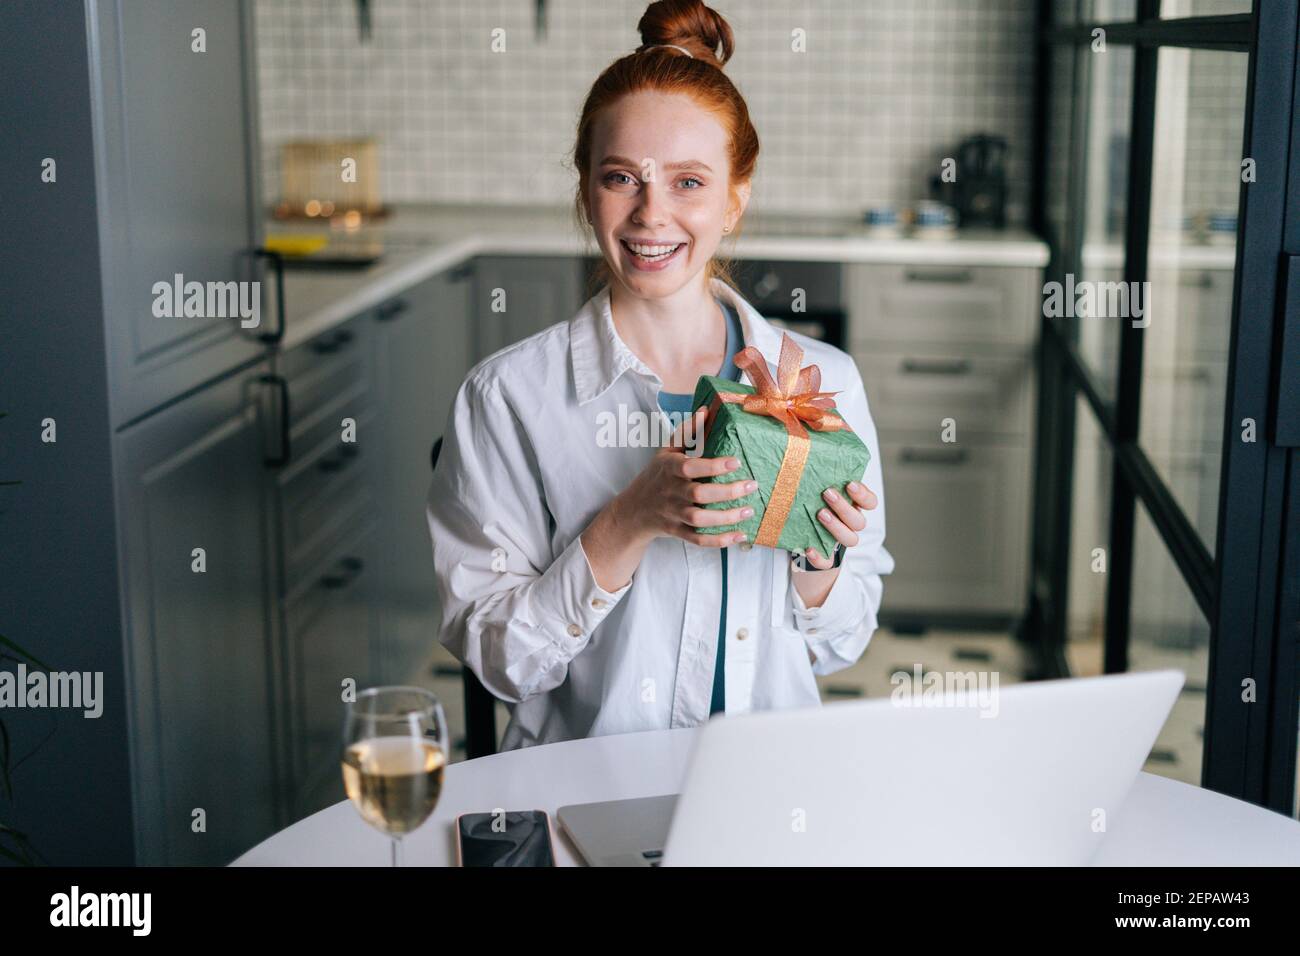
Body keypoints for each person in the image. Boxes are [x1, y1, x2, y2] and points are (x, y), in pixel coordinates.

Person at [426, 0, 893, 750]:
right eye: (622, 178)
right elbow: (500, 661)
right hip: (580, 788)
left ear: (735, 198)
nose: (650, 214)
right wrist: (631, 517)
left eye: (688, 182)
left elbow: (842, 644)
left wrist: (817, 556)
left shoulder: (824, 385)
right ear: (585, 190)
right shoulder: (507, 399)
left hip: (763, 786)